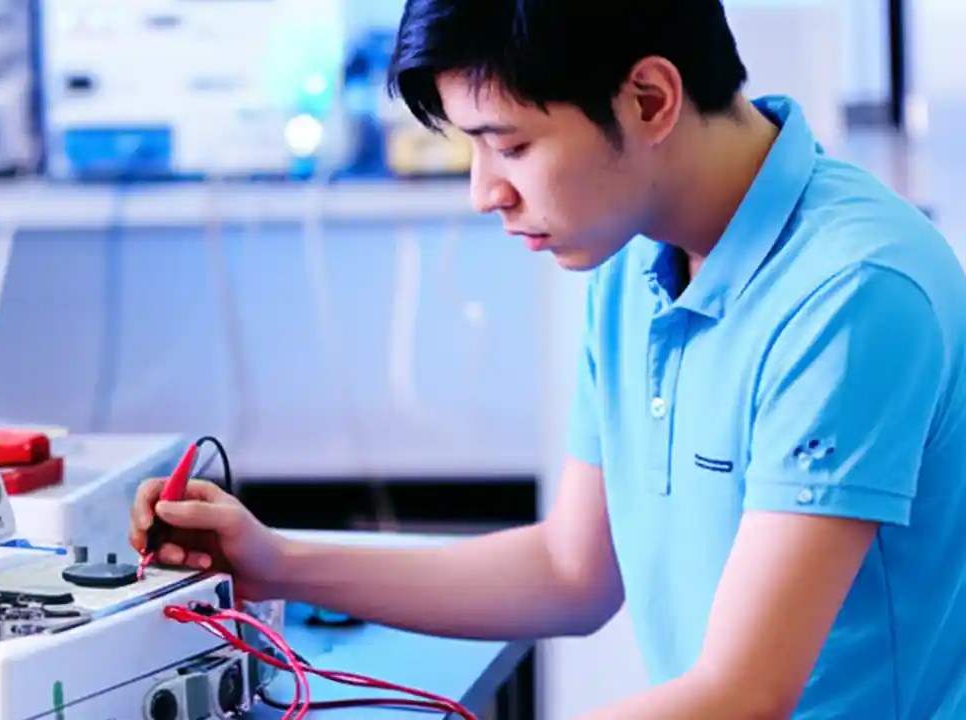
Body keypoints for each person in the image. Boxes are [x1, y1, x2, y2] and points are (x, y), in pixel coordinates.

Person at [130, 0, 966, 717]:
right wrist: (277, 563)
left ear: (649, 100)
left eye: (511, 145)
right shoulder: (636, 257)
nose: (484, 192)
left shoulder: (854, 293)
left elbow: (742, 695)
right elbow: (572, 570)